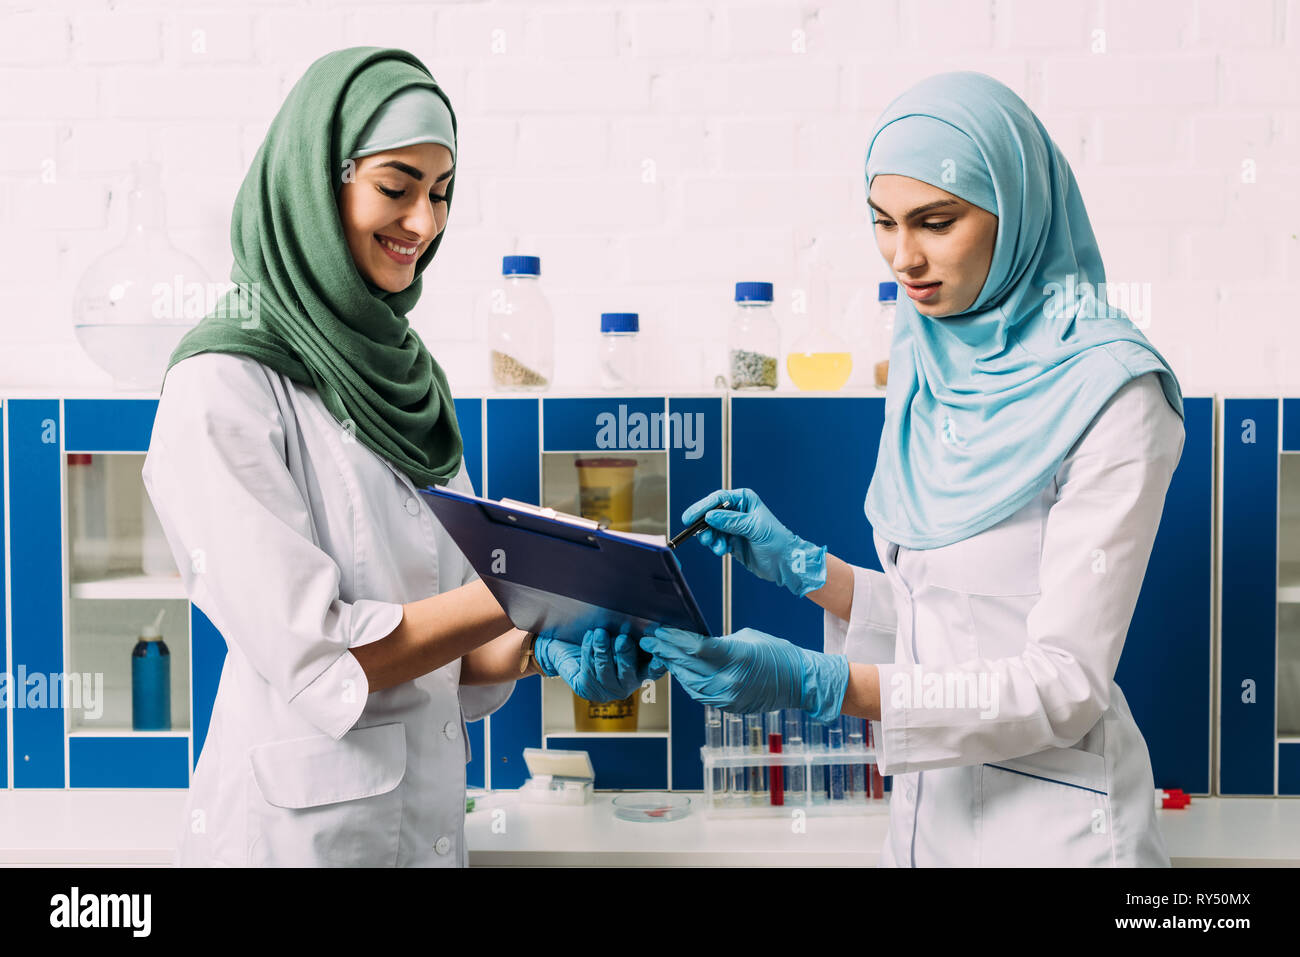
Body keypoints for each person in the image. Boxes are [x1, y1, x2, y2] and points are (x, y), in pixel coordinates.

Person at [639, 71, 1185, 867]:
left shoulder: (1112, 392)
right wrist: (805, 569)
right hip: (924, 832)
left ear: (1018, 207)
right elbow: (952, 616)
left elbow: (1065, 684)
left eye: (937, 221)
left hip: (1058, 838)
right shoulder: (931, 357)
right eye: (882, 223)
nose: (904, 257)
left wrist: (823, 685)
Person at [142, 46, 658, 867]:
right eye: (396, 186)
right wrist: (537, 578)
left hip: (421, 829)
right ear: (317, 182)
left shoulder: (408, 378)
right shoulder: (221, 387)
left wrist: (543, 645)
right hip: (294, 840)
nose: (423, 221)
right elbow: (325, 652)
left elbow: (447, 632)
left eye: (442, 193)